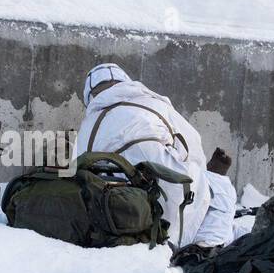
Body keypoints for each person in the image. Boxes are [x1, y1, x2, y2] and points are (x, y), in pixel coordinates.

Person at [74, 63, 234, 248]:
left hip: (115, 211)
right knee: (219, 188)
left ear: (90, 97)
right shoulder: (154, 104)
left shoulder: (86, 128)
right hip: (166, 199)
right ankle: (207, 247)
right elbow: (193, 148)